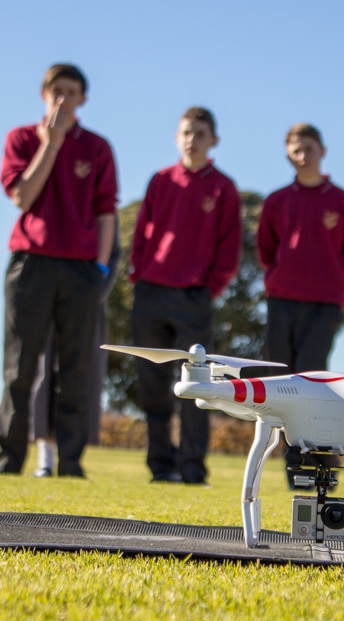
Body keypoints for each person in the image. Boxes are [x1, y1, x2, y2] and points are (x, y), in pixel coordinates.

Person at [0, 63, 118, 477]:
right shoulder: (22, 138)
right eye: (56, 91)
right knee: (19, 367)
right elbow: (22, 197)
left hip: (82, 269)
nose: (63, 99)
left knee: (75, 369)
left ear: (83, 99)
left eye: (71, 92)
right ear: (43, 94)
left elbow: (106, 212)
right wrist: (51, 144)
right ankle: (9, 460)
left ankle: (71, 463)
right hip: (30, 263)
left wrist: (101, 268)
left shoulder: (97, 147)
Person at [130, 107, 242, 485]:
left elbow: (229, 246)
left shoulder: (223, 188)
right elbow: (141, 232)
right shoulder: (160, 180)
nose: (192, 139)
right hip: (151, 292)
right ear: (177, 137)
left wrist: (211, 288)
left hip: (194, 297)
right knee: (152, 386)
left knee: (196, 386)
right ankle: (161, 466)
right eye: (186, 132)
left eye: (200, 133)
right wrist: (138, 276)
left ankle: (193, 469)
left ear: (214, 141)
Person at [257, 123, 344, 488]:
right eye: (295, 150)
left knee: (312, 379)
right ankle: (293, 467)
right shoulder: (276, 201)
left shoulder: (343, 201)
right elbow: (265, 249)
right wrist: (280, 278)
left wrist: (337, 288)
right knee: (282, 382)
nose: (303, 156)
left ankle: (321, 465)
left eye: (309, 148)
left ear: (322, 151)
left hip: (325, 303)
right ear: (288, 154)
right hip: (281, 299)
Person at [30, 218, 120, 477]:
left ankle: (71, 460)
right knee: (44, 376)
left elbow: (112, 257)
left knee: (80, 378)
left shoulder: (105, 215)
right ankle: (45, 458)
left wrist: (90, 294)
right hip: (48, 300)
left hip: (86, 302)